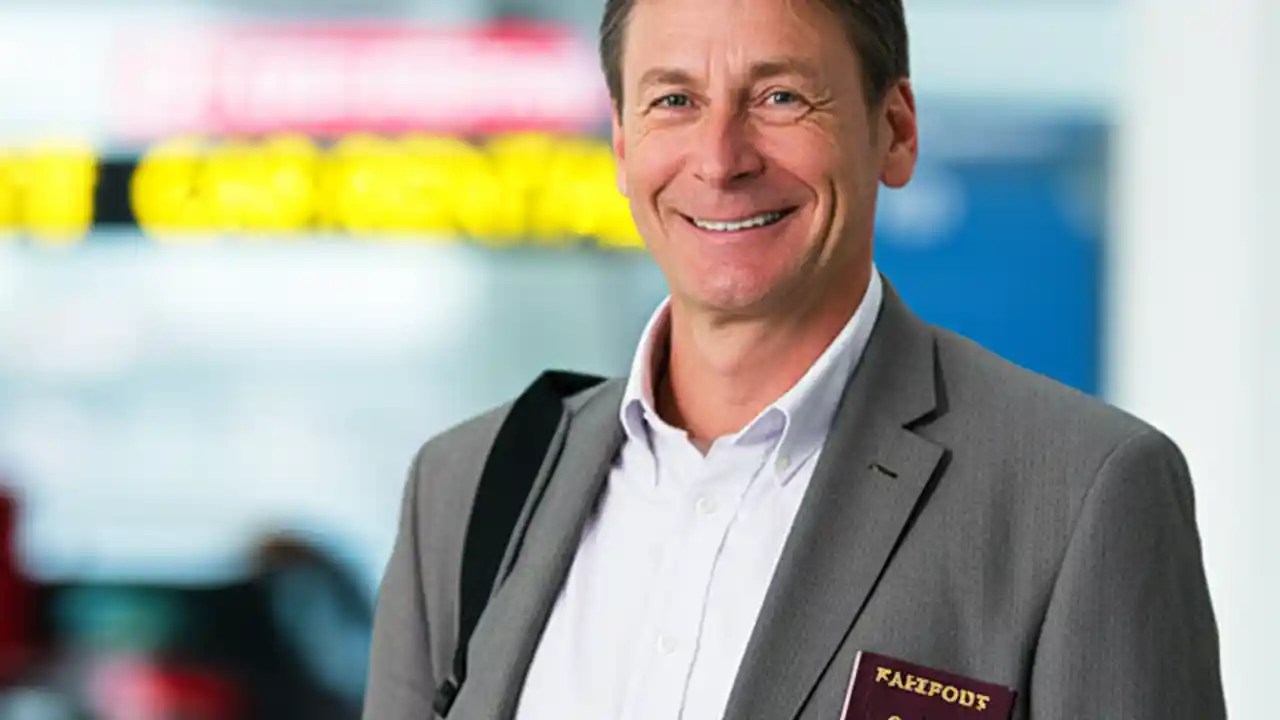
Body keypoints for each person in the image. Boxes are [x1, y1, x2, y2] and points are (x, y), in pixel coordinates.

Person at [363, 0, 1226, 718]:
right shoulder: (465, 488)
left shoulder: (1080, 495)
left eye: (779, 97)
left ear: (894, 131)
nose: (721, 159)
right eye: (674, 102)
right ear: (623, 148)